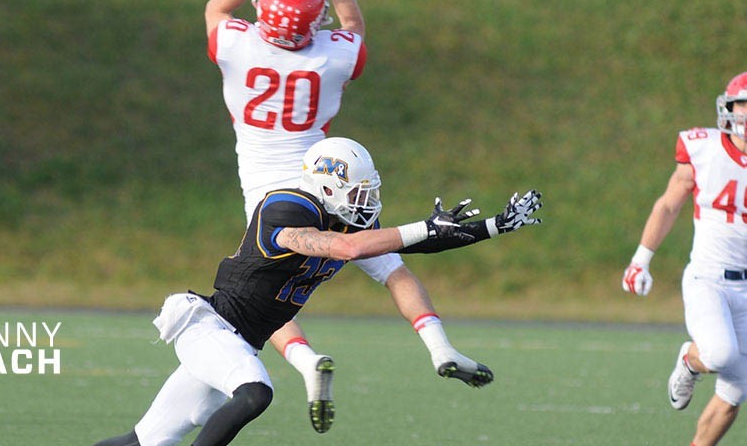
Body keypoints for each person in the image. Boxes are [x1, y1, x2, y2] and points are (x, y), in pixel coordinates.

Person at [204, 0, 510, 433]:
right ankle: (440, 346)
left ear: (265, 16)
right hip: (329, 176)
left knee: (260, 285)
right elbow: (354, 25)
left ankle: (304, 362)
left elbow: (216, 8)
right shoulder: (330, 57)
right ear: (312, 24)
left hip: (269, 191)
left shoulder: (239, 46)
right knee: (389, 265)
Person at [92, 137, 544, 446]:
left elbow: (421, 243)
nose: (366, 203)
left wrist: (494, 226)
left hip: (239, 340)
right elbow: (347, 248)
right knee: (255, 393)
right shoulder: (286, 206)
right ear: (327, 185)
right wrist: (421, 225)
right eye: (357, 192)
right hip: (210, 325)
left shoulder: (342, 217)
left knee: (144, 441)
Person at [620, 72, 747, 446]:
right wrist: (640, 259)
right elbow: (668, 204)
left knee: (735, 392)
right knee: (722, 354)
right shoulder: (701, 147)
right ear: (727, 107)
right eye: (742, 103)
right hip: (707, 277)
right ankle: (690, 360)